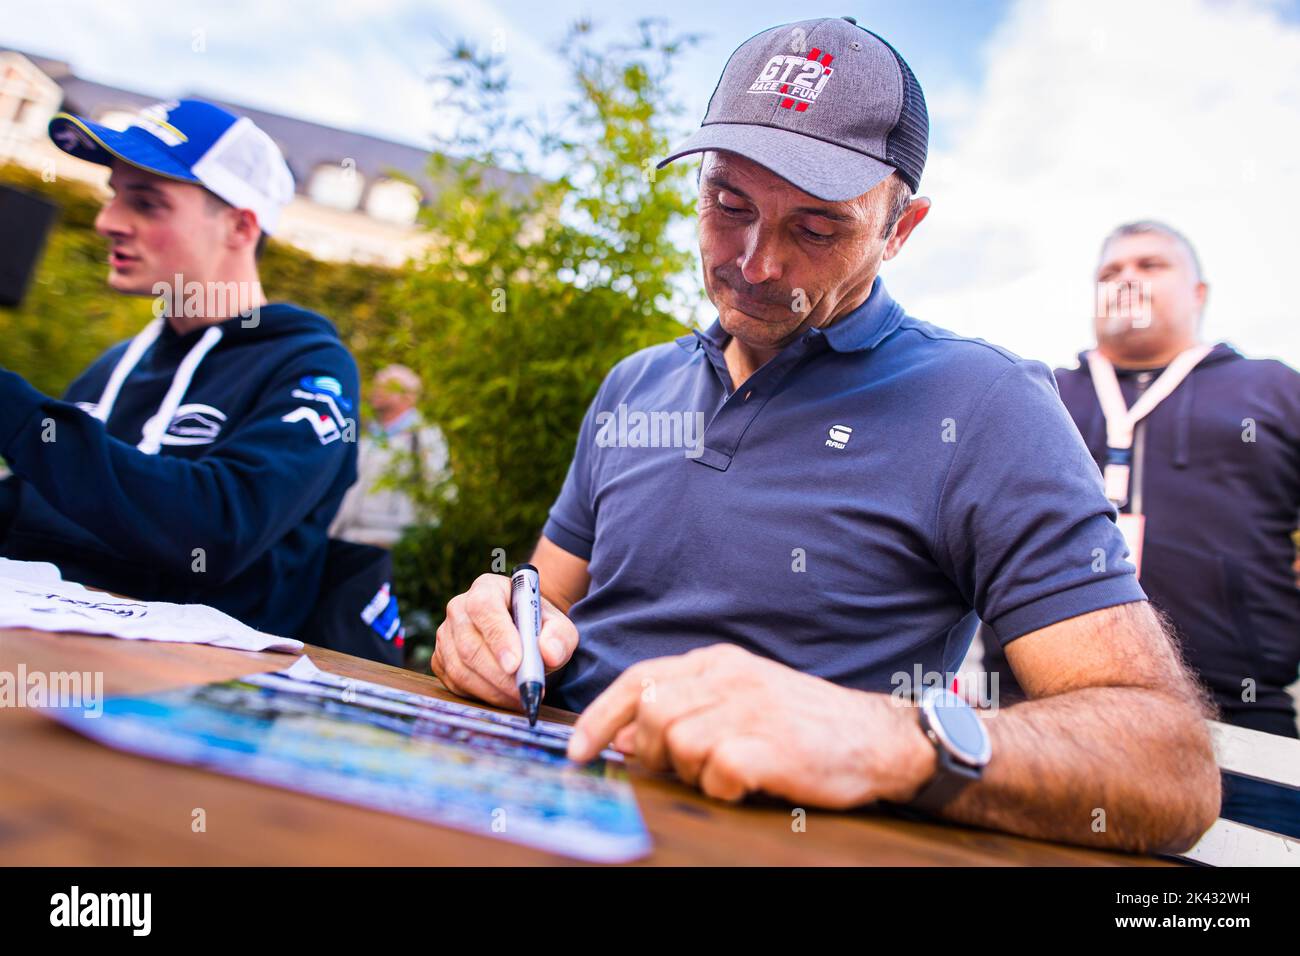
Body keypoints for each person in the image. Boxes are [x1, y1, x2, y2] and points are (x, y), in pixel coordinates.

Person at [430, 17, 1219, 854]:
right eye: (729, 204)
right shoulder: (637, 383)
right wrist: (495, 627)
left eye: (816, 228)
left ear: (900, 229)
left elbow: (1167, 763)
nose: (756, 263)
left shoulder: (986, 404)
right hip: (528, 809)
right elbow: (549, 602)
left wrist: (886, 738)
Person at [984, 220, 1300, 835]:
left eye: (1150, 265)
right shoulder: (1036, 394)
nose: (1127, 278)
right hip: (1037, 726)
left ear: (1199, 292)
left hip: (1244, 728)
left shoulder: (1274, 389)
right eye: (1111, 271)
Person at [0, 99, 359, 638]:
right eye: (113, 196)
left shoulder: (311, 368)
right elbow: (34, 505)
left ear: (240, 226)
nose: (106, 222)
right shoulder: (116, 364)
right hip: (54, 653)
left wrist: (13, 411)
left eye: (146, 203)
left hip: (208, 681)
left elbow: (217, 531)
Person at [330, 364, 448, 548]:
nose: (377, 391)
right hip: (345, 537)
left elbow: (438, 488)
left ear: (408, 397)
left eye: (386, 386)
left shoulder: (424, 436)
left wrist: (417, 540)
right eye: (376, 385)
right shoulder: (361, 431)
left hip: (393, 542)